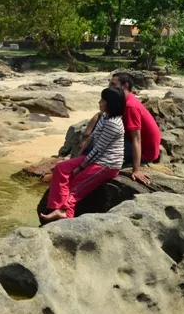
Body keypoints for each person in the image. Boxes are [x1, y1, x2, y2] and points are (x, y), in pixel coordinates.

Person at [40, 87, 126, 222]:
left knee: (73, 188)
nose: (100, 102)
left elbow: (99, 149)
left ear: (111, 103)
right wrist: (84, 147)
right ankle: (57, 208)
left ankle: (65, 217)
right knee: (61, 168)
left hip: (106, 164)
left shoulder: (114, 124)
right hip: (95, 158)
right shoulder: (105, 116)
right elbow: (95, 136)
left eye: (103, 100)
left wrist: (81, 167)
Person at [79, 72, 161, 185]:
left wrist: (136, 169)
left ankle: (81, 170)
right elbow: (98, 115)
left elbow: (137, 138)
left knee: (94, 147)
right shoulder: (122, 100)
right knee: (91, 142)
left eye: (113, 84)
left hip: (145, 153)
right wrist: (85, 137)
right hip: (132, 143)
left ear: (125, 86)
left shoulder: (130, 105)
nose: (109, 87)